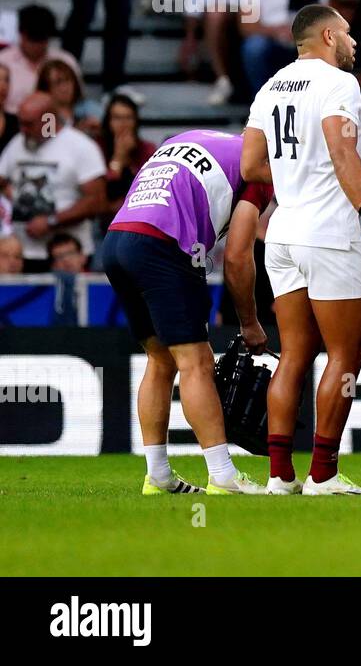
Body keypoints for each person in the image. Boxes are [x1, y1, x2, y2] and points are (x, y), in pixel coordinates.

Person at [241, 4, 361, 495]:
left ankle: (280, 475)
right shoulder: (338, 84)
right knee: (346, 353)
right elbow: (342, 150)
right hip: (329, 233)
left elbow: (250, 166)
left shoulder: (271, 86)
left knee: (294, 354)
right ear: (329, 36)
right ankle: (324, 473)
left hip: (283, 232)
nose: (354, 44)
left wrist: (294, 176)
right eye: (349, 35)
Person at [100, 127, 274, 494]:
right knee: (196, 362)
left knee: (160, 360)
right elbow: (239, 255)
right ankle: (223, 476)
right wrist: (250, 323)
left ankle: (158, 475)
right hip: (164, 245)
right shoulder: (258, 166)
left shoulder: (189, 135)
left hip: (116, 242)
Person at [0, 92, 107, 272]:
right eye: (21, 123)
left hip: (66, 255)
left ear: (48, 119)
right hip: (23, 254)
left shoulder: (80, 147)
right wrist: (10, 195)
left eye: (29, 124)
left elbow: (96, 201)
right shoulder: (18, 143)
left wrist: (51, 221)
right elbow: (2, 180)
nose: (23, 129)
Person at [0, 6, 81, 116]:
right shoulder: (3, 60)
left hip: (54, 121)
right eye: (33, 39)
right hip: (12, 121)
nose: (37, 46)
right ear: (21, 33)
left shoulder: (65, 61)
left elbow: (78, 98)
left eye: (42, 39)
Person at [100, 93, 157, 220]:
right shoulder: (98, 148)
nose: (123, 124)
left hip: (139, 217)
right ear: (108, 122)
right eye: (117, 118)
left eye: (128, 118)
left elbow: (150, 192)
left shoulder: (147, 150)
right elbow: (100, 196)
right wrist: (117, 161)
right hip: (104, 220)